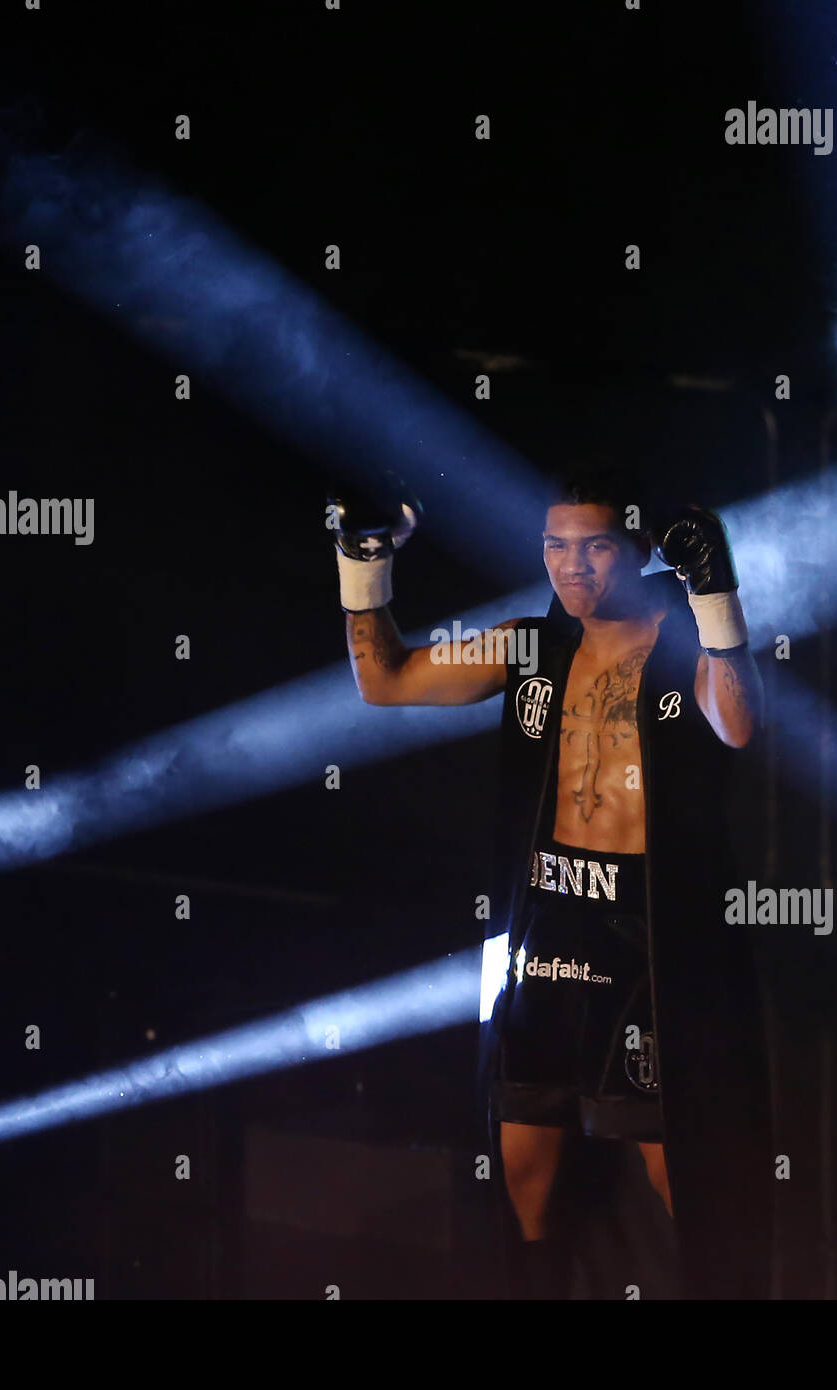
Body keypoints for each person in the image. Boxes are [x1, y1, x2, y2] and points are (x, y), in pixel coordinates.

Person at [331, 465, 770, 1299]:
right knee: (524, 1163)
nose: (571, 567)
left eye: (595, 547)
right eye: (554, 547)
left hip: (645, 936)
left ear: (639, 550)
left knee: (683, 1173)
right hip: (544, 927)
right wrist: (363, 562)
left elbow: (738, 727)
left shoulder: (684, 640)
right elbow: (383, 680)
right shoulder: (526, 644)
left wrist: (715, 594)